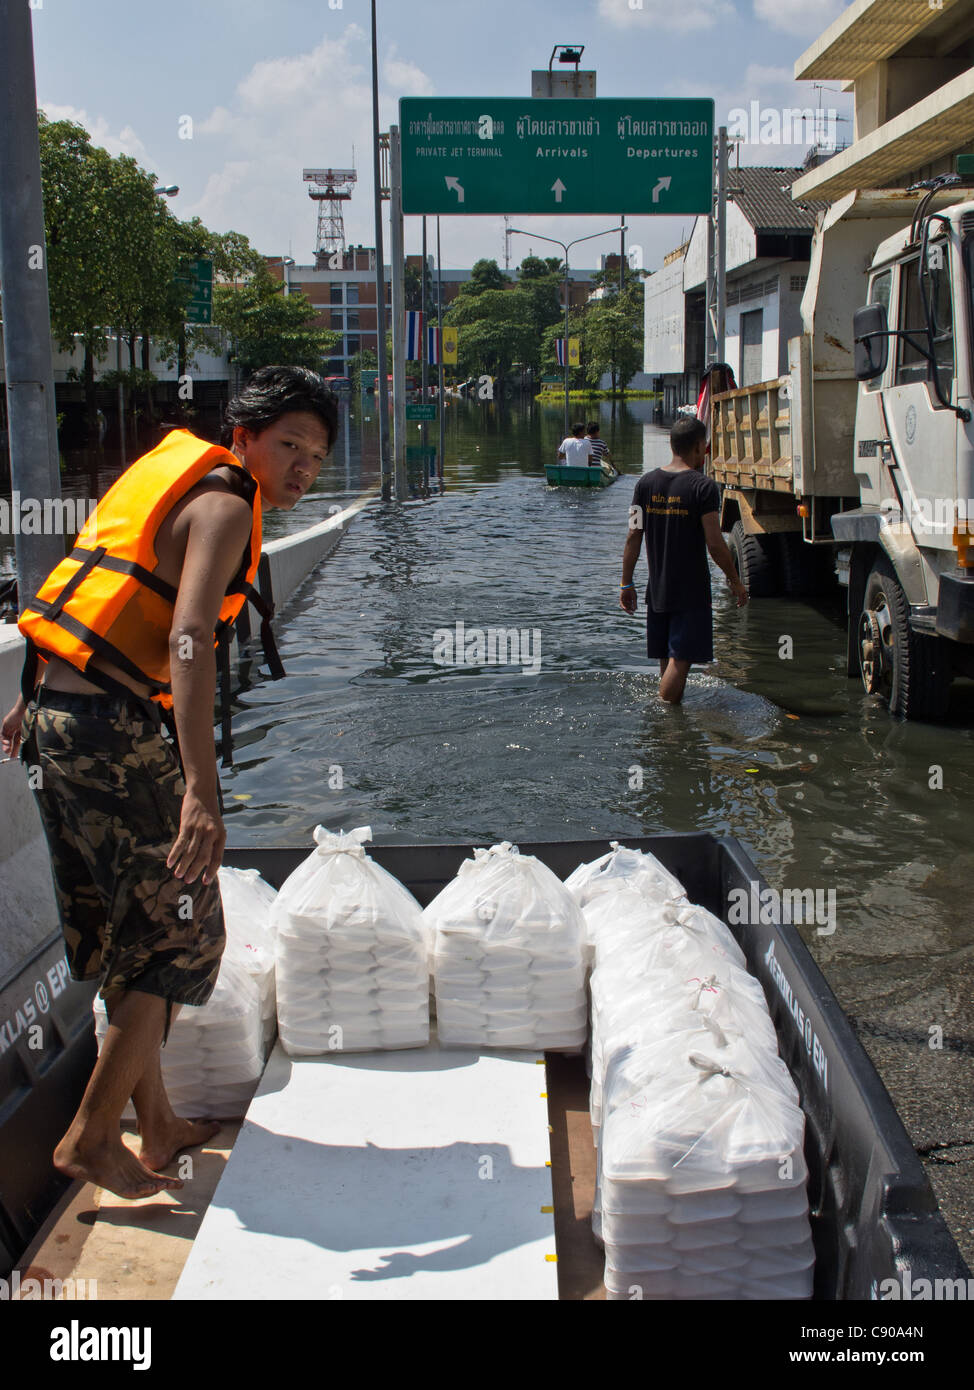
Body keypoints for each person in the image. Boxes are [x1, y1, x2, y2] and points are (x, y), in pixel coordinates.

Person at [0, 365, 337, 1201]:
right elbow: (188, 636)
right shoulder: (225, 504)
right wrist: (201, 788)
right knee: (180, 934)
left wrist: (25, 698)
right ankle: (88, 1138)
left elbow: (76, 585)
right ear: (244, 437)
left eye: (318, 455)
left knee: (133, 937)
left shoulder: (180, 479)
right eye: (288, 445)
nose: (301, 467)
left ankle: (155, 1126)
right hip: (112, 734)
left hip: (60, 720)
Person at [619, 414, 747, 703]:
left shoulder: (645, 484)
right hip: (691, 592)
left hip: (659, 590)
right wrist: (736, 581)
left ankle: (667, 727)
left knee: (667, 661)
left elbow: (633, 536)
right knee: (681, 661)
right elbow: (715, 544)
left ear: (672, 444)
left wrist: (626, 584)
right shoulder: (703, 487)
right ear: (700, 446)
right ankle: (666, 725)